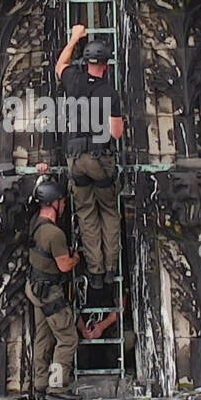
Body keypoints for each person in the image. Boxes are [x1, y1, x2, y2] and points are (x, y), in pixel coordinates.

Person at [55, 23, 124, 290]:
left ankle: (94, 272)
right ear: (106, 65)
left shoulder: (73, 79)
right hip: (100, 160)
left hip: (76, 159)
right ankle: (109, 269)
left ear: (85, 62)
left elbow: (60, 64)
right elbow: (116, 134)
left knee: (86, 213)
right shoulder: (110, 92)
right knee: (108, 211)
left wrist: (73, 38)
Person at [26, 180, 81, 400]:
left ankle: (40, 384)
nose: (64, 205)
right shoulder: (54, 234)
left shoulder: (35, 224)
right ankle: (57, 387)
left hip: (35, 289)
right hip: (50, 294)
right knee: (67, 339)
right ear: (53, 203)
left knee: (44, 337)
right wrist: (76, 256)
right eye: (62, 201)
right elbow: (64, 266)